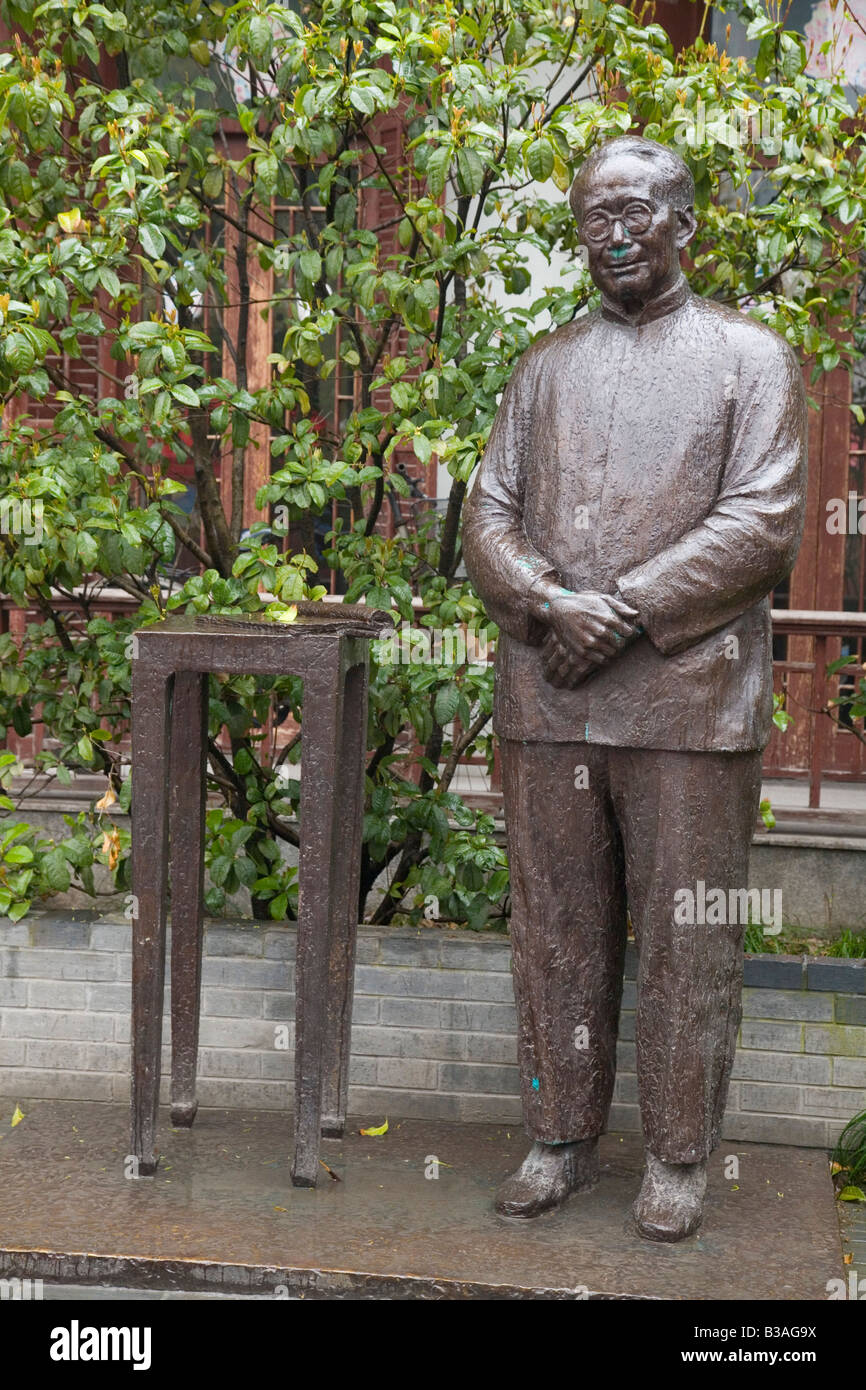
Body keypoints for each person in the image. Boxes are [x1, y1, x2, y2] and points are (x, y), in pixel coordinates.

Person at [462, 135, 807, 1241]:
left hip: (686, 704)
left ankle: (677, 1154)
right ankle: (557, 1136)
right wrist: (548, 603)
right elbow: (487, 513)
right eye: (593, 219)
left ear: (683, 224)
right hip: (550, 699)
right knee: (555, 930)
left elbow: (764, 521)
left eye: (632, 213)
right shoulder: (543, 368)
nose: (611, 235)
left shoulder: (751, 359)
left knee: (685, 936)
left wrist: (620, 608)